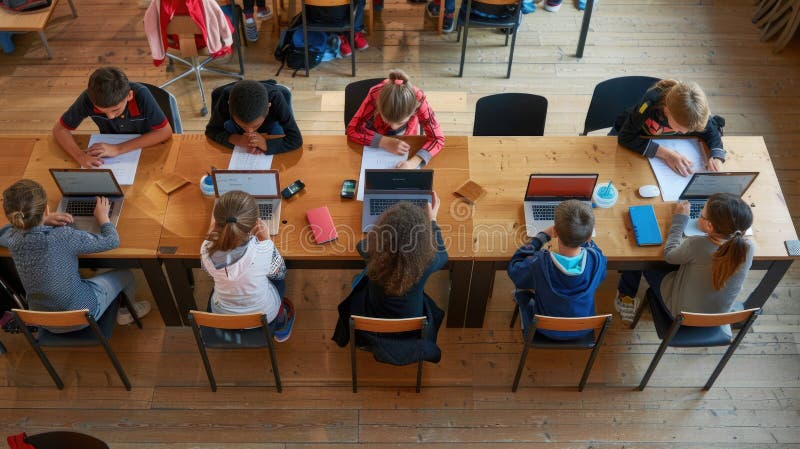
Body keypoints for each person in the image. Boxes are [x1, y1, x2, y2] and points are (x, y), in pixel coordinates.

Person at [2, 179, 151, 329]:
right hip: (82, 315)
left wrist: (43, 220)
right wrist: (103, 217)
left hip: (44, 321)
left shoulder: (12, 239)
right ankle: (126, 313)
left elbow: (4, 232)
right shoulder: (62, 236)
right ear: (46, 210)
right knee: (126, 275)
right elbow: (112, 241)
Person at [332, 194, 447, 365]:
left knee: (360, 278)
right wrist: (432, 221)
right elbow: (443, 254)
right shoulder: (428, 263)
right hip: (412, 329)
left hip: (370, 325)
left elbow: (360, 246)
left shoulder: (371, 251)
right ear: (423, 241)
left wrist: (380, 236)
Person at [614, 193, 754, 325]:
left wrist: (679, 221)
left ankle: (625, 297)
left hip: (682, 315)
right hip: (717, 317)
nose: (699, 215)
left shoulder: (698, 244)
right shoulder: (748, 247)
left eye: (701, 214)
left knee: (640, 260)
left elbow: (669, 255)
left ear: (710, 226)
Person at [200, 190, 294, 342]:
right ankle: (280, 322)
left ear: (216, 222)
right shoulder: (264, 249)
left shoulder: (206, 249)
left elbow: (207, 270)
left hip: (223, 317)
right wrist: (266, 239)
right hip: (263, 316)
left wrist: (212, 234)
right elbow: (281, 273)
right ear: (255, 223)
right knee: (279, 281)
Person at [507, 199, 607, 340]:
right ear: (589, 236)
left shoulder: (539, 263)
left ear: (555, 232)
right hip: (582, 328)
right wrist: (580, 233)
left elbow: (514, 268)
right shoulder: (597, 260)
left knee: (523, 285)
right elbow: (601, 274)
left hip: (544, 328)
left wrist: (541, 237)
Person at [53, 66, 173, 169]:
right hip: (110, 146)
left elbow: (165, 131)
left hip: (147, 145)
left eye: (115, 109)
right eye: (101, 110)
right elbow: (59, 129)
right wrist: (80, 156)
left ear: (129, 96)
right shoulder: (87, 99)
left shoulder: (142, 95)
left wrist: (118, 149)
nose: (110, 117)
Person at [614, 79, 726, 177]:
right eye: (680, 127)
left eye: (690, 130)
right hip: (633, 135)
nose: (685, 132)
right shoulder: (649, 104)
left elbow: (712, 133)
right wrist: (666, 154)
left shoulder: (694, 115)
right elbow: (625, 137)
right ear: (667, 111)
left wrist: (717, 157)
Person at [346, 70, 445, 169]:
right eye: (388, 120)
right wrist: (383, 141)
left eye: (400, 122)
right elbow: (352, 129)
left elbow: (437, 138)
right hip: (377, 131)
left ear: (414, 111)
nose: (393, 127)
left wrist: (413, 162)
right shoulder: (375, 94)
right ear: (378, 106)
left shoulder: (418, 99)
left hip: (408, 136)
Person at [205, 80, 303, 156]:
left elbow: (296, 139)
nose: (249, 132)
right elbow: (211, 130)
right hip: (236, 131)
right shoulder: (227, 98)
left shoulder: (275, 98)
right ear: (229, 106)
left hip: (271, 123)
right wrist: (237, 139)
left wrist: (265, 144)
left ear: (269, 107)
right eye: (243, 125)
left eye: (256, 125)